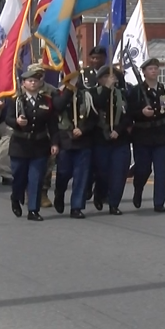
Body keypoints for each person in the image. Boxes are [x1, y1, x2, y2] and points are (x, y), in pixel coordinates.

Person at [54, 48, 107, 217]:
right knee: (64, 173)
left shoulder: (87, 97)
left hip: (83, 140)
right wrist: (69, 89)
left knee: (82, 175)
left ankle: (77, 206)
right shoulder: (61, 94)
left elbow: (93, 117)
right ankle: (60, 193)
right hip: (66, 141)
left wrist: (82, 129)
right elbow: (57, 108)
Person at [6, 64, 58, 220]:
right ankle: (16, 197)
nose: (33, 83)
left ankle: (33, 210)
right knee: (19, 177)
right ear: (23, 83)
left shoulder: (47, 101)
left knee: (36, 178)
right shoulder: (16, 100)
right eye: (30, 81)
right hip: (20, 145)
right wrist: (16, 122)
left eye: (36, 80)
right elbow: (7, 118)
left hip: (39, 145)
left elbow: (53, 124)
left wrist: (55, 143)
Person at [128, 58, 165, 212]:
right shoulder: (136, 91)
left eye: (156, 68)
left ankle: (159, 202)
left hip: (161, 135)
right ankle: (138, 189)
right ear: (143, 72)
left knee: (161, 170)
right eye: (150, 69)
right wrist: (141, 113)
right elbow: (129, 113)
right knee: (143, 169)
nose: (154, 71)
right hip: (142, 135)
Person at [90, 59, 131, 214]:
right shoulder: (93, 93)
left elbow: (128, 116)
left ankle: (114, 204)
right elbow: (97, 106)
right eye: (106, 77)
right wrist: (107, 88)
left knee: (119, 173)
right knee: (103, 172)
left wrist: (118, 130)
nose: (111, 79)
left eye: (112, 77)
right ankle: (99, 194)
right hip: (101, 139)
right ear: (100, 79)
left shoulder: (122, 95)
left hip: (119, 140)